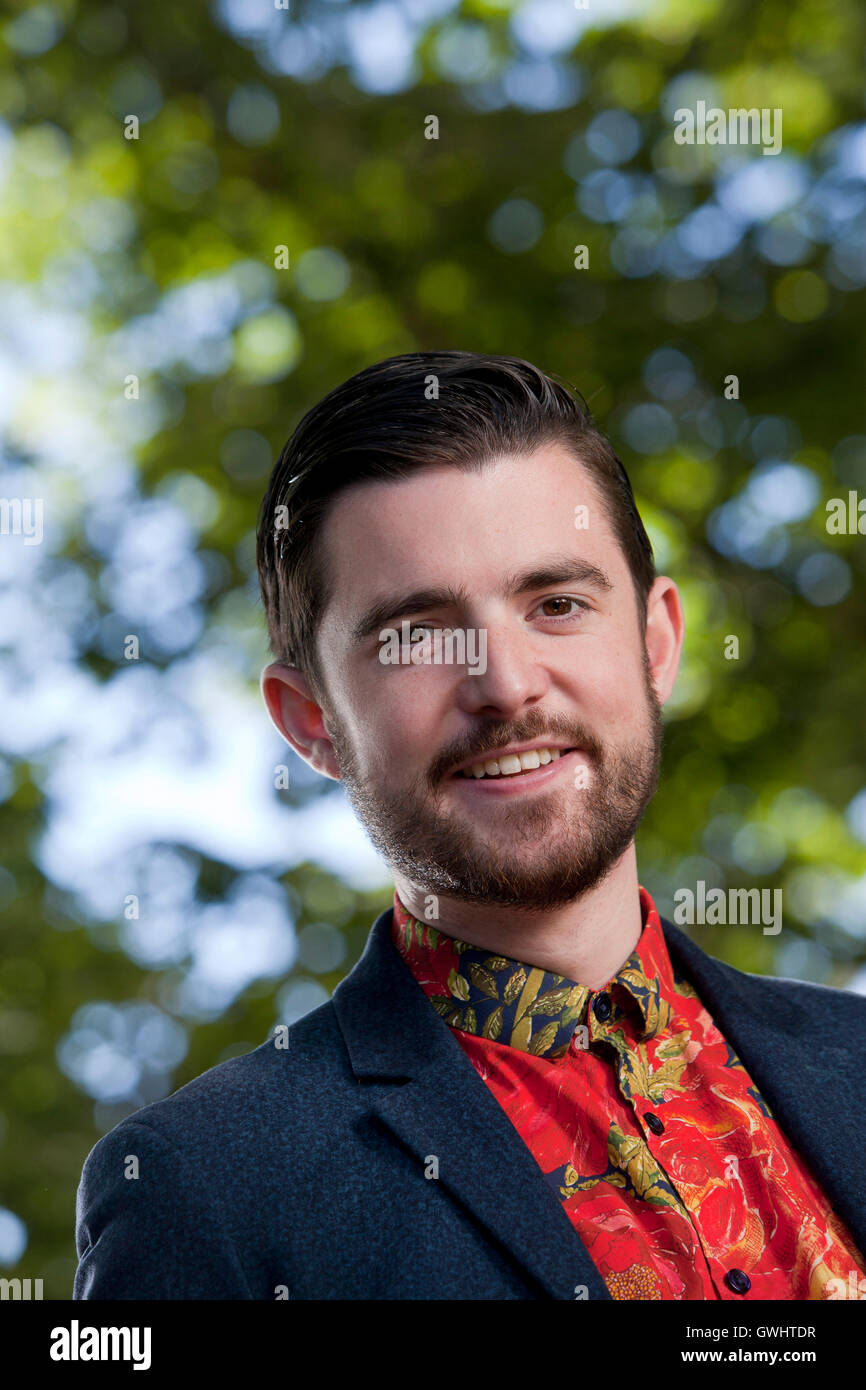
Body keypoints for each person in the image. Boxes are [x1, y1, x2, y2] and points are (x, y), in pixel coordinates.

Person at [73, 351, 866, 1300]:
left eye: (558, 605)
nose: (507, 684)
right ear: (311, 721)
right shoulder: (203, 1192)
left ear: (656, 645)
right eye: (417, 637)